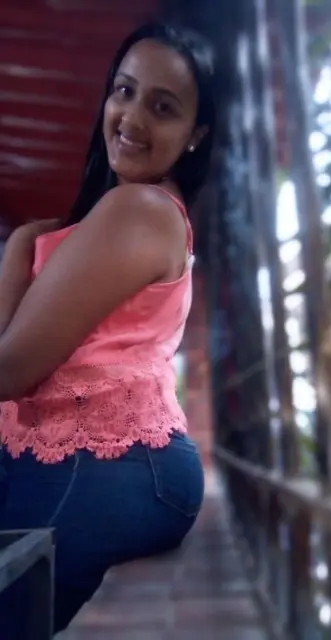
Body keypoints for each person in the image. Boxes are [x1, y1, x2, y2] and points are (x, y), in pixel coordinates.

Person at [0, 22, 215, 635]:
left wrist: (19, 246)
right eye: (124, 91)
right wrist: (23, 243)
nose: (132, 117)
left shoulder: (140, 209)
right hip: (52, 449)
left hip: (108, 458)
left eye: (163, 107)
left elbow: (10, 369)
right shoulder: (110, 214)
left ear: (195, 135)